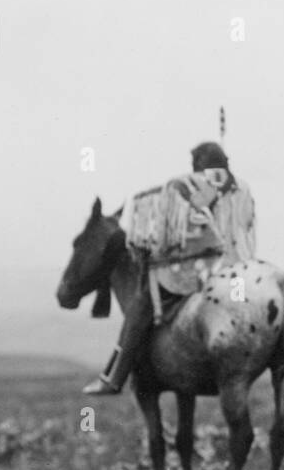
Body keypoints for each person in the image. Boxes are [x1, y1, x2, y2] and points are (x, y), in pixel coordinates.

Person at [83, 141, 255, 396]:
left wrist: (153, 251)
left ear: (197, 164)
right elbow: (247, 226)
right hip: (241, 268)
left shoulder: (181, 186)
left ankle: (115, 377)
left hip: (197, 271)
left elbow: (167, 235)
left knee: (140, 306)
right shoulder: (242, 187)